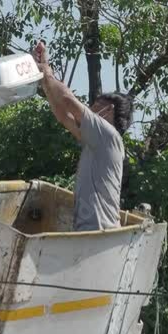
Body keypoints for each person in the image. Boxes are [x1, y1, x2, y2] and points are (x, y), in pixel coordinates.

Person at [33, 41, 133, 231]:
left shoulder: (108, 134)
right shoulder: (97, 141)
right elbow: (64, 116)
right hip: (93, 231)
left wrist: (47, 71)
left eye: (95, 105)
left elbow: (68, 100)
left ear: (109, 109)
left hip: (100, 231)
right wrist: (45, 80)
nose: (90, 108)